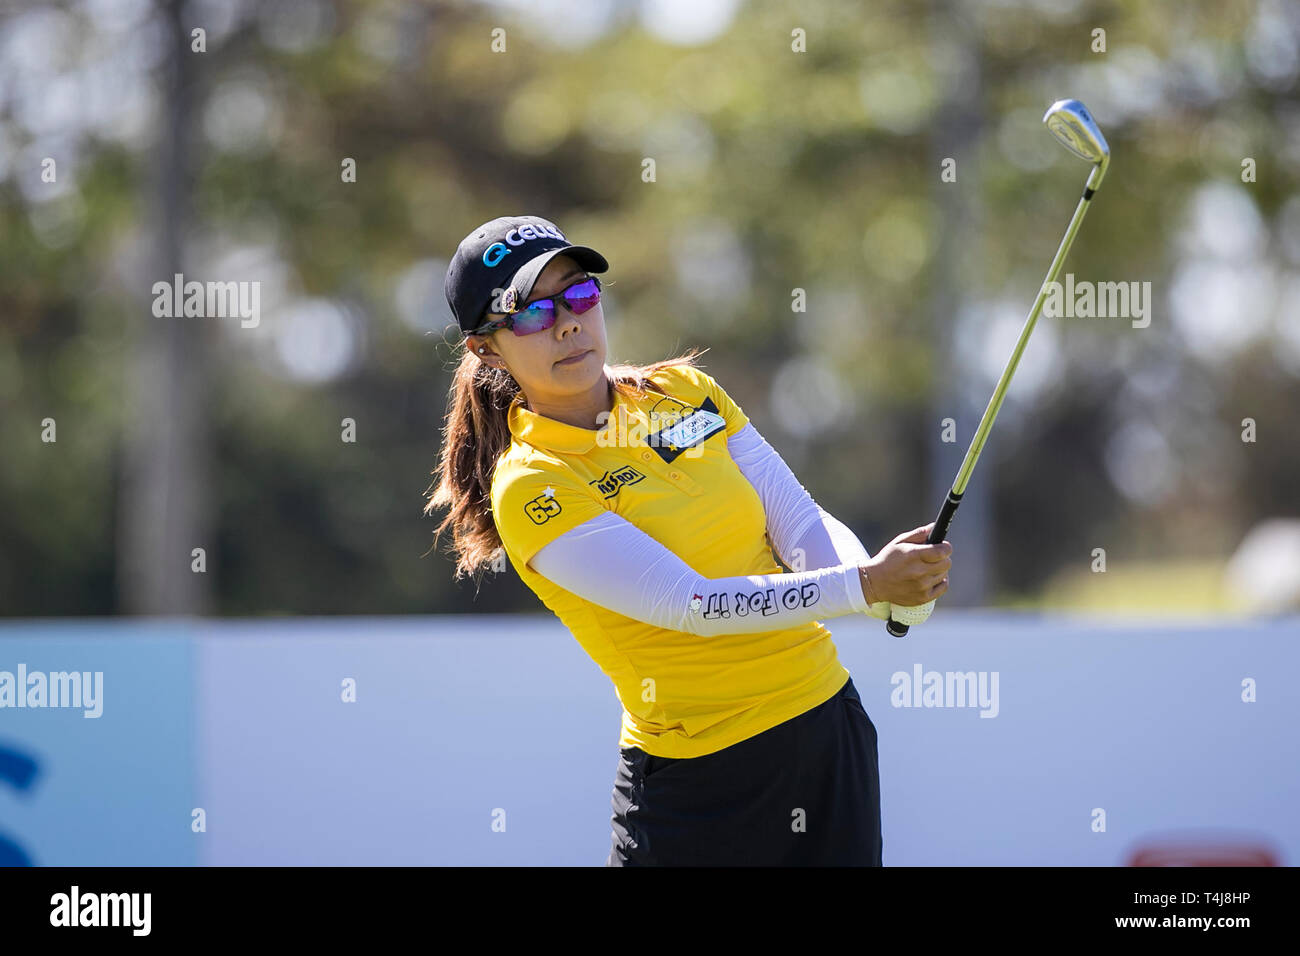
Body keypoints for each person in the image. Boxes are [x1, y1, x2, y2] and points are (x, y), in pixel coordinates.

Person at [426, 214, 953, 866]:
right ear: (485, 348)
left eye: (580, 294)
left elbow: (797, 520)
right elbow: (693, 606)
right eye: (530, 312)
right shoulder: (532, 487)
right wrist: (864, 587)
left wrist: (878, 581)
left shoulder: (684, 392)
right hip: (696, 792)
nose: (567, 322)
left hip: (824, 733)